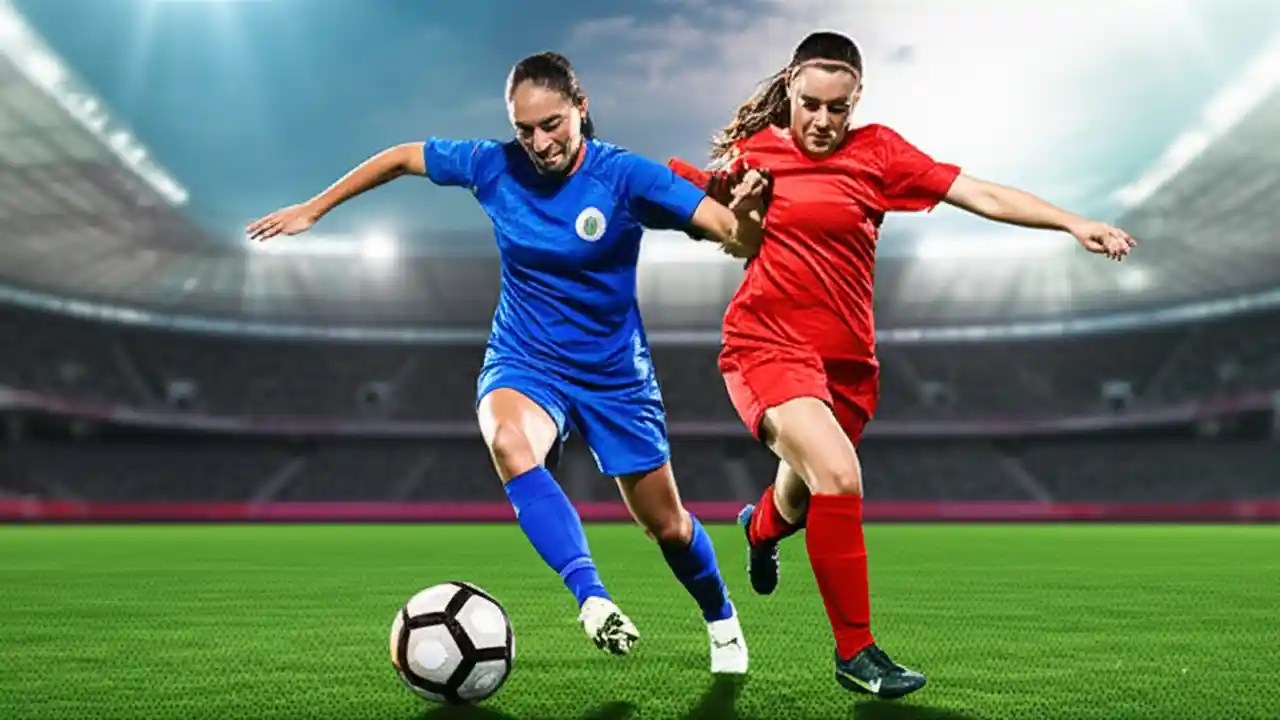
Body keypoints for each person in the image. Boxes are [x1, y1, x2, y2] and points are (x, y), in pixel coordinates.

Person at [247, 51, 769, 674]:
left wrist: (748, 213)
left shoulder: (627, 177)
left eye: (551, 124)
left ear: (581, 110)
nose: (539, 142)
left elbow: (733, 235)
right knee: (507, 440)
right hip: (525, 357)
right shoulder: (492, 166)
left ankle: (721, 620)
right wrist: (315, 207)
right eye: (524, 129)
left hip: (614, 376)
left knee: (669, 527)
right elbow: (402, 156)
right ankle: (592, 598)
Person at [667, 31, 1136, 697]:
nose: (823, 122)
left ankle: (761, 530)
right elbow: (688, 200)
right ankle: (855, 653)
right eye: (810, 104)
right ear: (790, 89)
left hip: (848, 369)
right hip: (766, 345)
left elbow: (981, 194)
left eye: (838, 107)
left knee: (798, 499)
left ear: (857, 100)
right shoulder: (757, 153)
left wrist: (1071, 223)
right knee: (837, 474)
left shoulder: (880, 153)